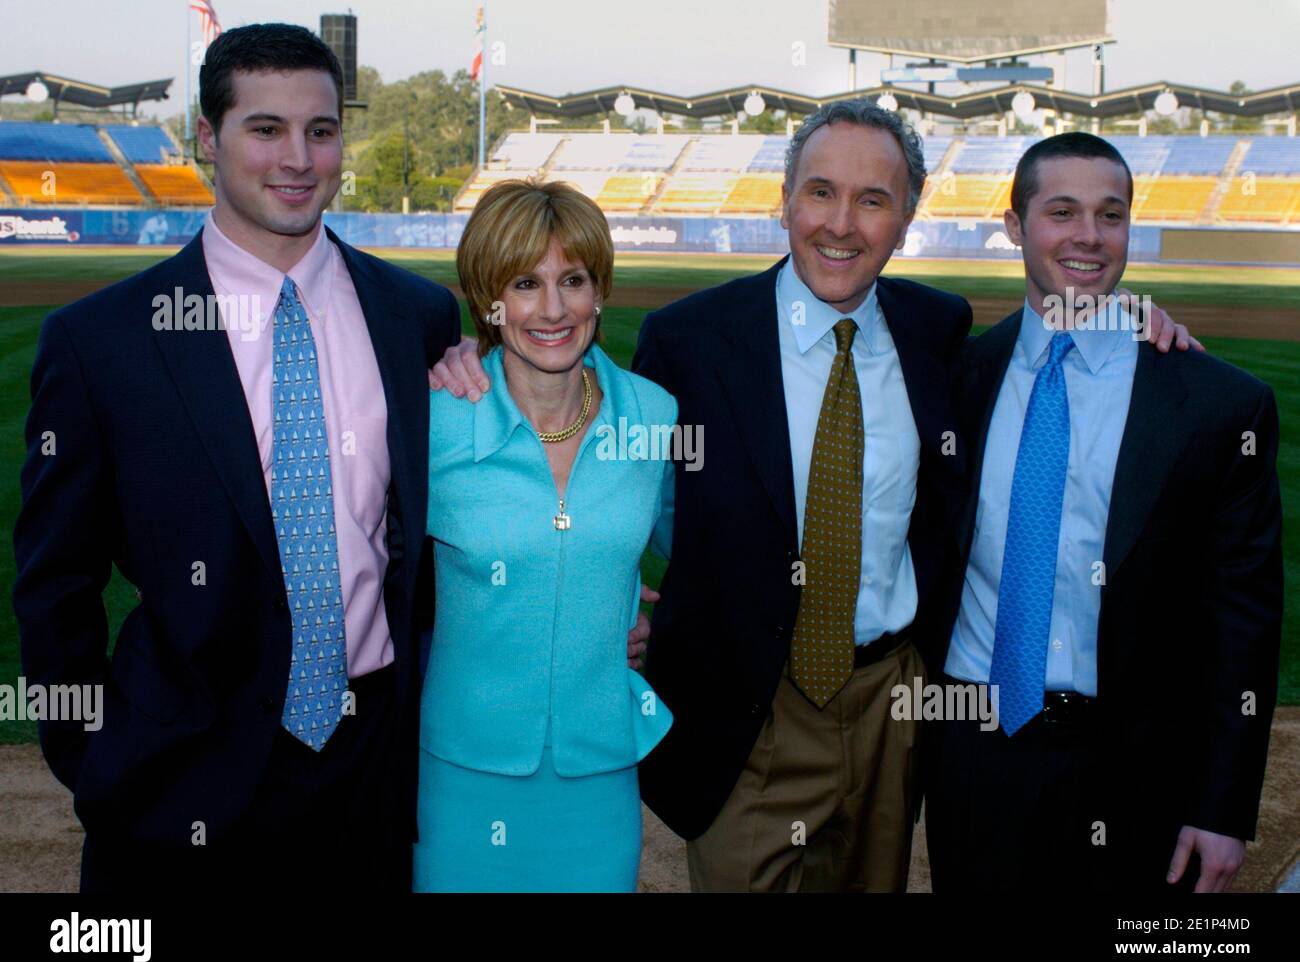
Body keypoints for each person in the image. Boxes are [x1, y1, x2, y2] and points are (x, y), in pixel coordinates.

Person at [429, 101, 1194, 892]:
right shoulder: (688, 341)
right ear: (785, 200)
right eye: (821, 193)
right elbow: (596, 479)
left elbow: (1039, 365)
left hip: (890, 706)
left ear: (907, 217)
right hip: (749, 710)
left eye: (873, 200)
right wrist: (465, 359)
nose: (842, 224)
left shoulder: (938, 330)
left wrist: (1127, 320)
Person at [15, 23, 457, 893]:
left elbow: (437, 536)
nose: (298, 157)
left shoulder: (417, 317)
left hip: (368, 770)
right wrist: (94, 757)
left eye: (321, 131)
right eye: (265, 129)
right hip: (176, 777)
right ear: (209, 139)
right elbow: (53, 583)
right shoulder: (102, 342)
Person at [924, 132, 1282, 893]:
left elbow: (1243, 618)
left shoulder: (1213, 403)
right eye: (1062, 212)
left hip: (1139, 767)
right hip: (974, 755)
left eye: (1110, 215)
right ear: (1016, 226)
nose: (1089, 235)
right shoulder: (953, 376)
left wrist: (1223, 807)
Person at [414, 179, 674, 892]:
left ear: (600, 290)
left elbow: (718, 555)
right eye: (525, 283)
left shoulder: (655, 416)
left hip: (600, 772)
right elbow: (379, 579)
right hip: (463, 771)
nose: (554, 309)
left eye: (574, 280)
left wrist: (646, 622)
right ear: (488, 297)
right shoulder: (434, 419)